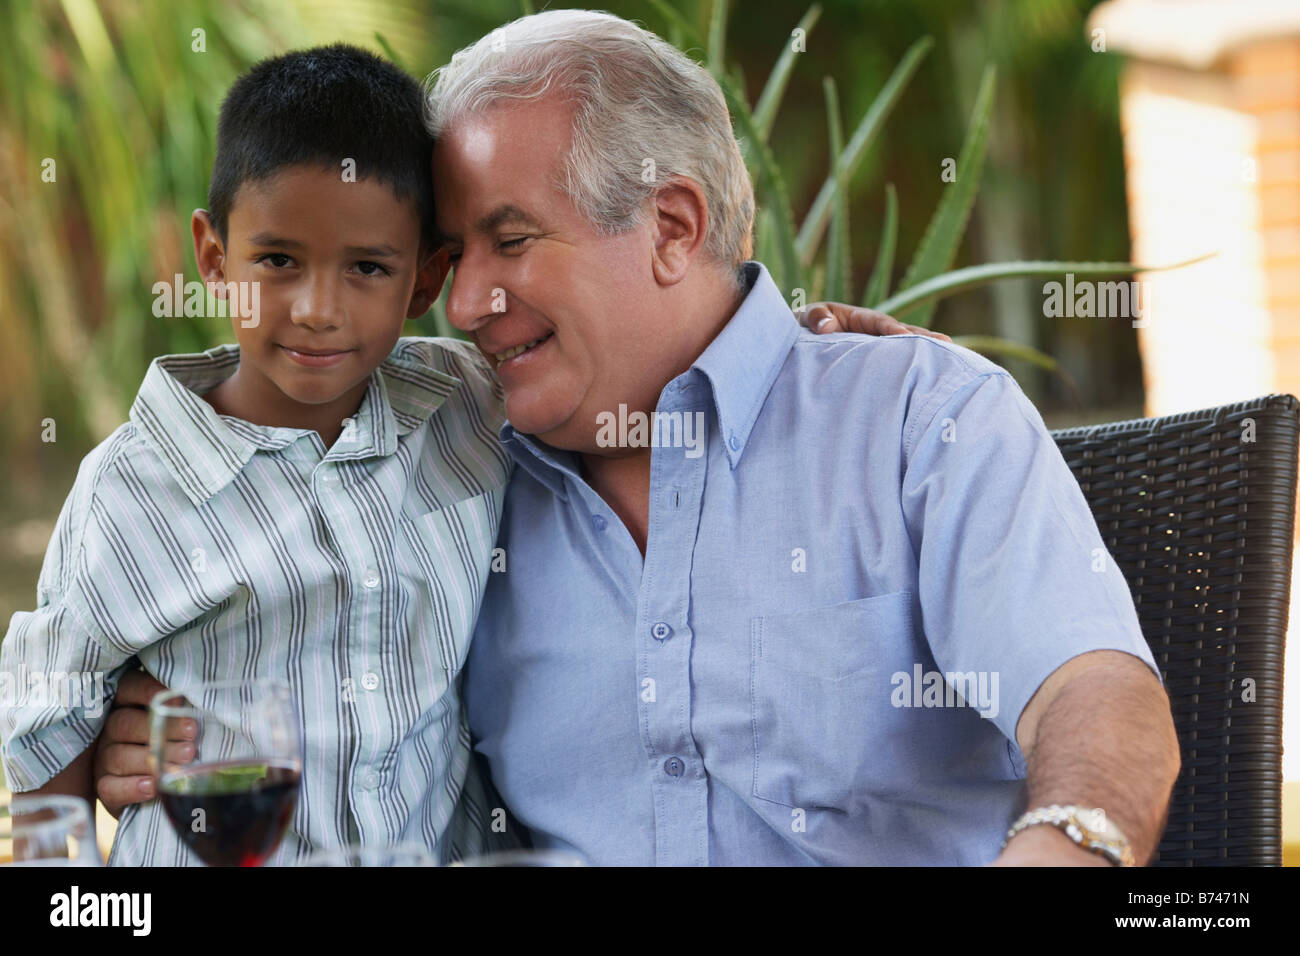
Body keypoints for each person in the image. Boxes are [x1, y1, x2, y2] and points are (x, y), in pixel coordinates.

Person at [5, 40, 916, 864]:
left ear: (424, 281)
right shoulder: (131, 495)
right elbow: (49, 735)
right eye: (277, 260)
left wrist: (795, 337)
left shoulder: (465, 405)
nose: (318, 308)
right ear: (213, 257)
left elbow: (648, 359)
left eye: (366, 268)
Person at [424, 10, 1180, 865]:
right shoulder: (448, 472)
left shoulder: (915, 421)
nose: (461, 303)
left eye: (510, 241)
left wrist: (1069, 845)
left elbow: (1093, 691)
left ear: (672, 226)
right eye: (453, 256)